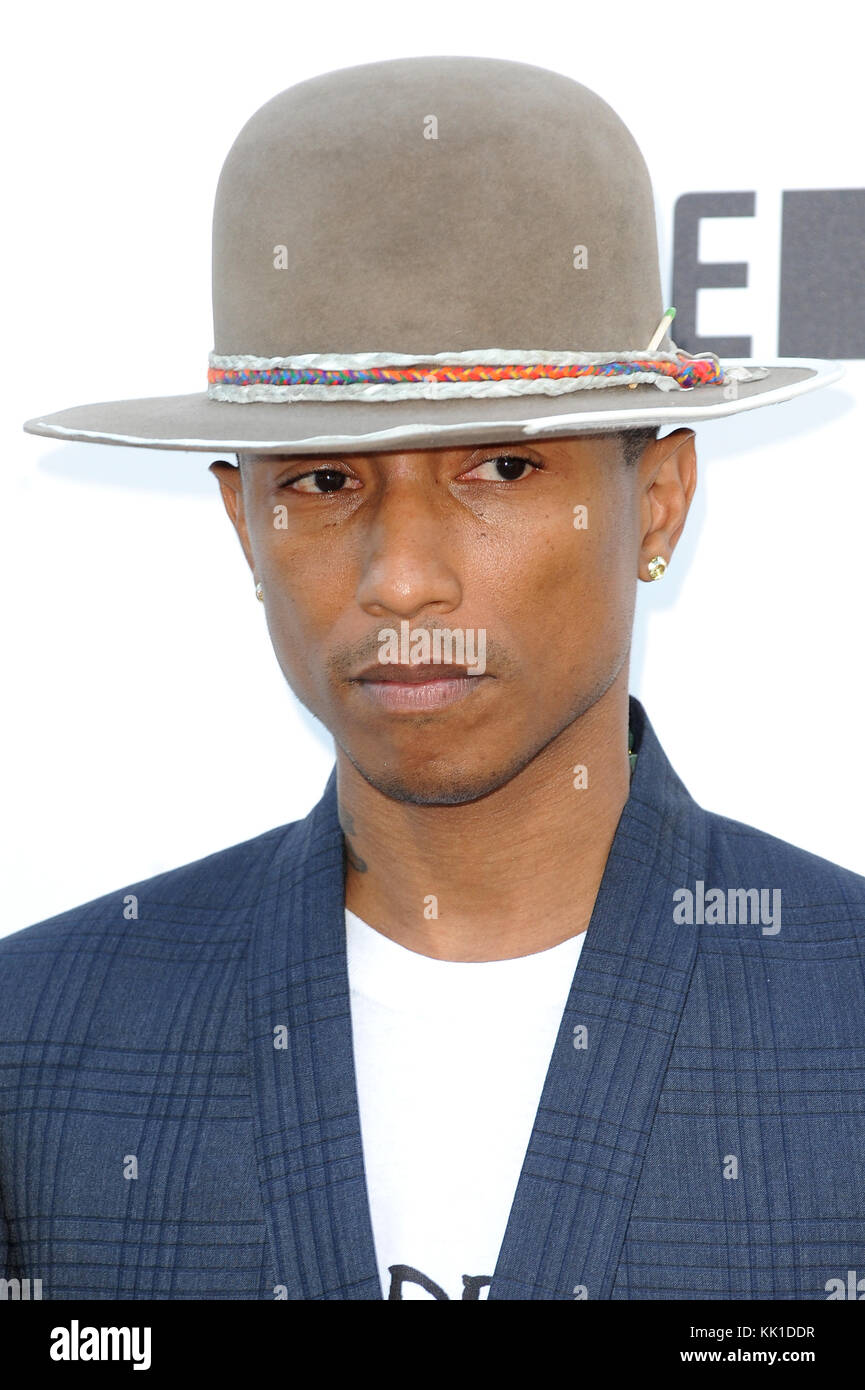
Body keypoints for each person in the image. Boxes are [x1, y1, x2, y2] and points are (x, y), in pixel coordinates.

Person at [3, 56, 863, 1302]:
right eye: (322, 482)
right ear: (245, 527)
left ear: (658, 500)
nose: (401, 579)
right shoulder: (38, 1043)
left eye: (500, 468)